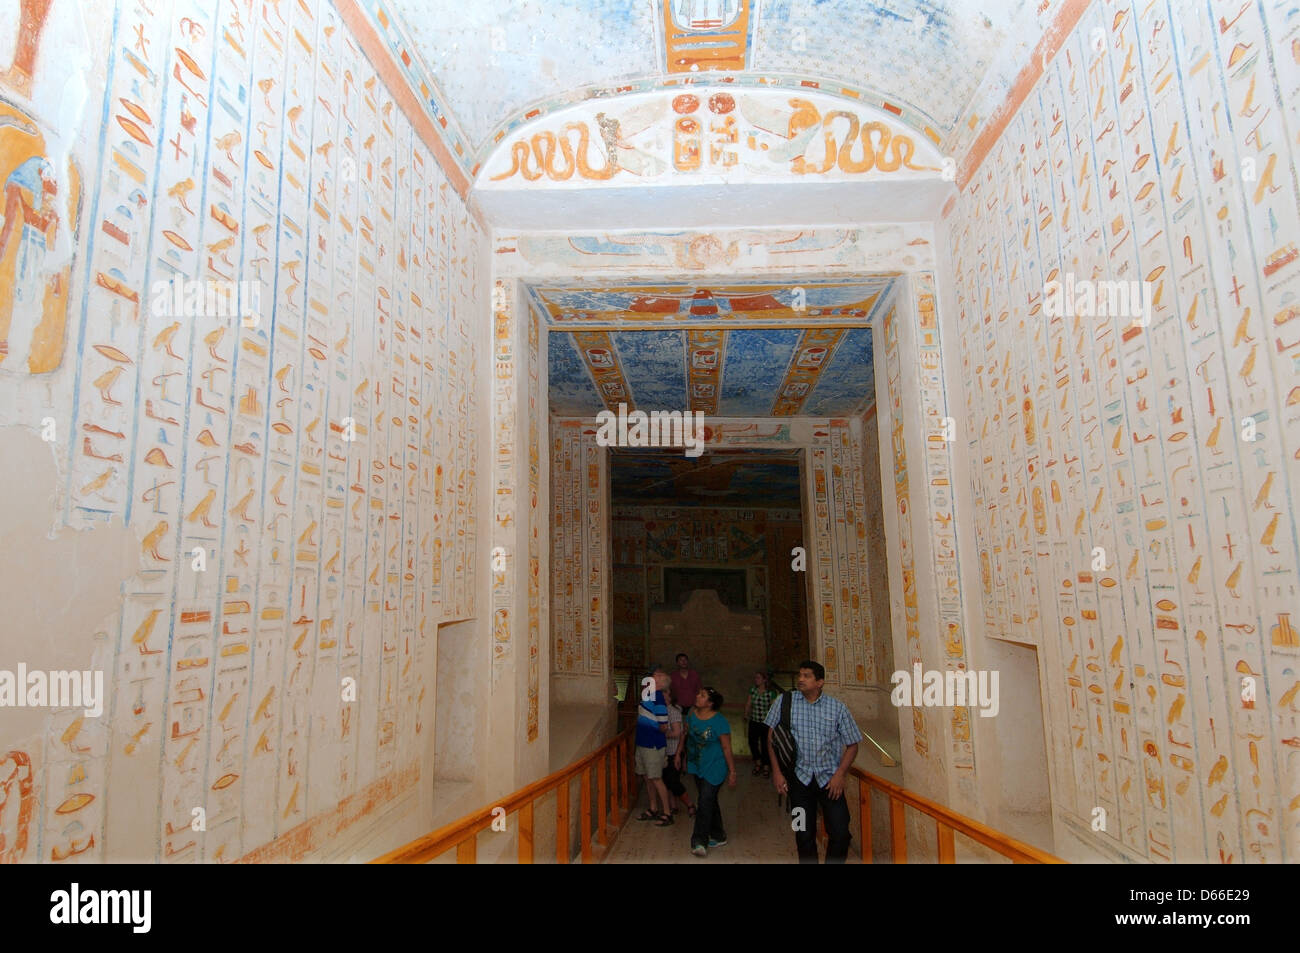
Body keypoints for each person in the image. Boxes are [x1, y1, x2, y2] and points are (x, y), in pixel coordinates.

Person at [765, 659, 863, 863]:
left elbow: (853, 744)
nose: (800, 679)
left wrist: (840, 775)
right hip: (798, 782)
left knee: (841, 834)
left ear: (820, 682)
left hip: (830, 782)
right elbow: (770, 738)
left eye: (806, 676)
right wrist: (777, 772)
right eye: (800, 675)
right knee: (803, 834)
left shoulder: (837, 708)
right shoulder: (784, 702)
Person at [681, 686, 736, 857]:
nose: (698, 696)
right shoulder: (692, 715)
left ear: (710, 703)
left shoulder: (720, 721)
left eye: (702, 695)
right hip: (697, 764)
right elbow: (686, 735)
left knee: (704, 801)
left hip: (715, 767)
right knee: (709, 800)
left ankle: (699, 842)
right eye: (698, 693)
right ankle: (719, 835)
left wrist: (732, 771)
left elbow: (726, 747)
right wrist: (680, 755)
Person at [634, 667, 673, 826]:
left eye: (658, 675)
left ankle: (667, 813)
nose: (654, 675)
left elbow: (663, 725)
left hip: (653, 744)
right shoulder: (648, 694)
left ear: (661, 683)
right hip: (642, 742)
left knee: (656, 778)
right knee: (647, 776)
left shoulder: (658, 697)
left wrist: (652, 728)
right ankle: (653, 807)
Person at [661, 684, 694, 817]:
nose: (662, 695)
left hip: (674, 751)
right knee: (667, 780)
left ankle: (690, 804)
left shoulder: (673, 711)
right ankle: (673, 806)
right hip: (666, 751)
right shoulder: (664, 709)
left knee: (673, 781)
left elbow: (678, 733)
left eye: (664, 692)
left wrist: (662, 733)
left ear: (670, 696)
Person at [744, 670, 778, 777]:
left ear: (764, 680)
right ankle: (758, 762)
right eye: (755, 678)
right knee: (752, 742)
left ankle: (766, 765)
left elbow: (773, 708)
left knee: (765, 744)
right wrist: (746, 713)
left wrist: (774, 721)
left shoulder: (770, 693)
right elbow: (749, 703)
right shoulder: (753, 690)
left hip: (765, 723)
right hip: (754, 720)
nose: (756, 680)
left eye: (758, 678)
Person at [670, 653, 702, 719]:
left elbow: (699, 690)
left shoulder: (694, 674)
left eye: (685, 660)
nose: (683, 662)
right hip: (678, 707)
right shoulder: (673, 676)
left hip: (693, 707)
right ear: (677, 663)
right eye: (681, 660)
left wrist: (696, 705)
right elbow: (670, 692)